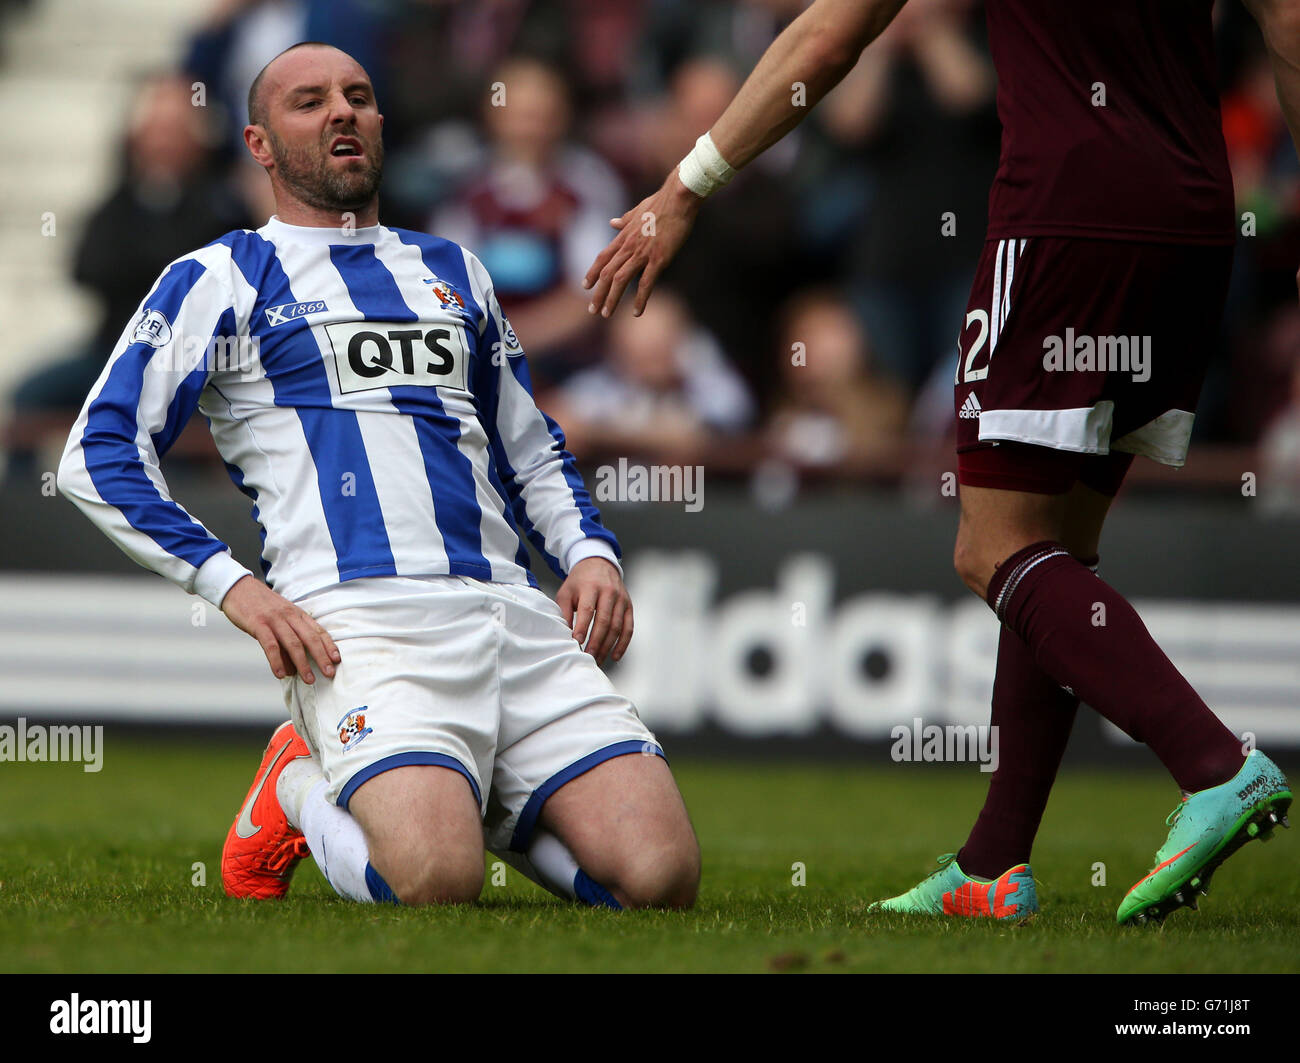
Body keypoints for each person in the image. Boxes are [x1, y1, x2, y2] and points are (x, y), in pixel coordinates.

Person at [585, 0, 1298, 925]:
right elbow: (1286, 25)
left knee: (989, 547)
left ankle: (1216, 764)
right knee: (1052, 548)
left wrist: (684, 187)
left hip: (1066, 214)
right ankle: (993, 863)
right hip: (1196, 218)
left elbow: (828, 35)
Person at [57, 42, 700, 911]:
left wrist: (589, 552)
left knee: (661, 879)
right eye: (309, 101)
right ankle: (295, 782)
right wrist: (236, 589)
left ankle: (468, 789)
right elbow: (97, 455)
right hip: (359, 626)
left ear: (381, 123)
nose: (341, 112)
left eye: (358, 96)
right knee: (434, 884)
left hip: (511, 612)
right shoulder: (218, 278)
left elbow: (528, 446)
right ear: (258, 143)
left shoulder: (451, 269)